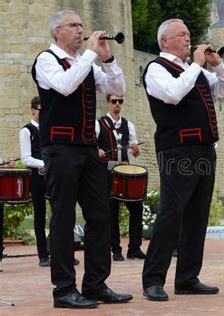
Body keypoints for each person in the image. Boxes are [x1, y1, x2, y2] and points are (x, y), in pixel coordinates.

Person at [32, 10, 132, 308]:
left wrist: (108, 59)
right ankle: (63, 290)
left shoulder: (85, 62)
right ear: (57, 31)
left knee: (100, 215)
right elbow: (65, 85)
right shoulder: (45, 60)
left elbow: (117, 89)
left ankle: (95, 284)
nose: (81, 30)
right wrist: (90, 54)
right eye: (74, 26)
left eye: (81, 26)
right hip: (60, 147)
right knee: (63, 218)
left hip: (88, 148)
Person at [141, 18, 224, 301]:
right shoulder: (156, 69)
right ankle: (153, 279)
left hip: (203, 148)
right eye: (181, 35)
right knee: (171, 213)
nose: (187, 39)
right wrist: (197, 64)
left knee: (197, 215)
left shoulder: (193, 70)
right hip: (177, 150)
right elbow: (172, 95)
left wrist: (216, 64)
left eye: (188, 34)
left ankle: (187, 277)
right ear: (164, 41)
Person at [96, 94, 145, 261]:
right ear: (108, 103)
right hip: (106, 172)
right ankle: (115, 249)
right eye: (114, 101)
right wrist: (97, 150)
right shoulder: (99, 124)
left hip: (125, 172)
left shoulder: (128, 125)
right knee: (112, 210)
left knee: (136, 208)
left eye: (120, 101)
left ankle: (134, 248)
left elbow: (134, 151)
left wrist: (135, 150)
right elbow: (91, 146)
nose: (117, 104)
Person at [18, 96, 50, 267]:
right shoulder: (26, 131)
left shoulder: (50, 129)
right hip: (37, 177)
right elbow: (26, 158)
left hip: (53, 176)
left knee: (60, 213)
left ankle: (61, 252)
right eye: (40, 110)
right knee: (40, 215)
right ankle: (43, 255)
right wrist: (44, 164)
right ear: (32, 110)